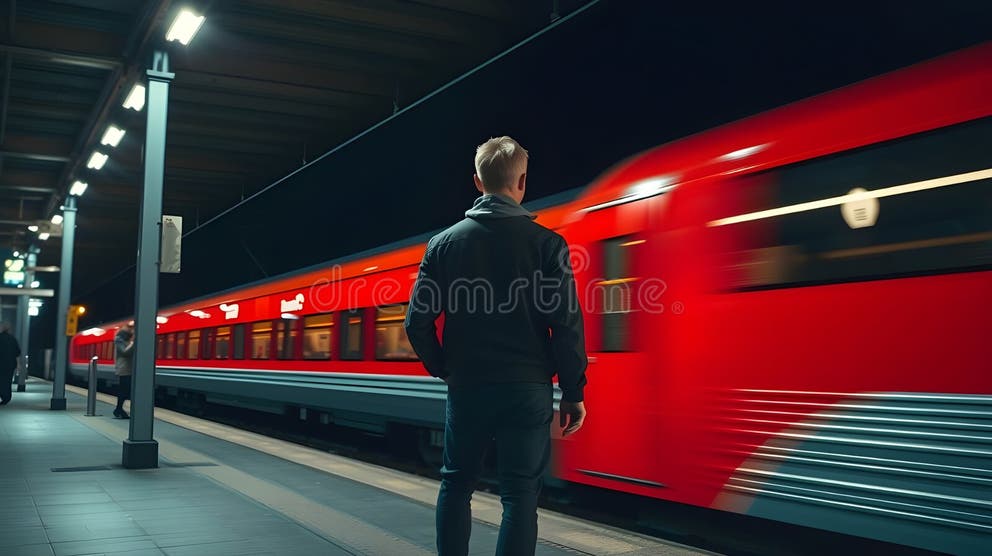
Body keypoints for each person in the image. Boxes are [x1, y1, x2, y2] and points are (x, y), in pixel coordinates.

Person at [405, 136, 588, 556]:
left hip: (468, 386)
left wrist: (444, 367)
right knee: (520, 495)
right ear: (522, 181)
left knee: (456, 483)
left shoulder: (443, 245)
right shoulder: (547, 245)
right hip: (527, 389)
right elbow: (565, 325)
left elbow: (416, 322)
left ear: (477, 181)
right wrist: (573, 392)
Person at [113, 322, 135, 419]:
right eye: (130, 328)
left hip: (129, 368)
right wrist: (134, 343)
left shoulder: (127, 339)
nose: (132, 330)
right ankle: (118, 409)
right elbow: (125, 352)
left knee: (125, 390)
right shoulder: (119, 339)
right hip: (124, 368)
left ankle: (119, 409)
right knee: (124, 390)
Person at [0, 322, 22, 405]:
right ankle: (6, 397)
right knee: (8, 381)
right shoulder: (13, 339)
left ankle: (2, 395)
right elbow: (17, 353)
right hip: (10, 364)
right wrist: (18, 364)